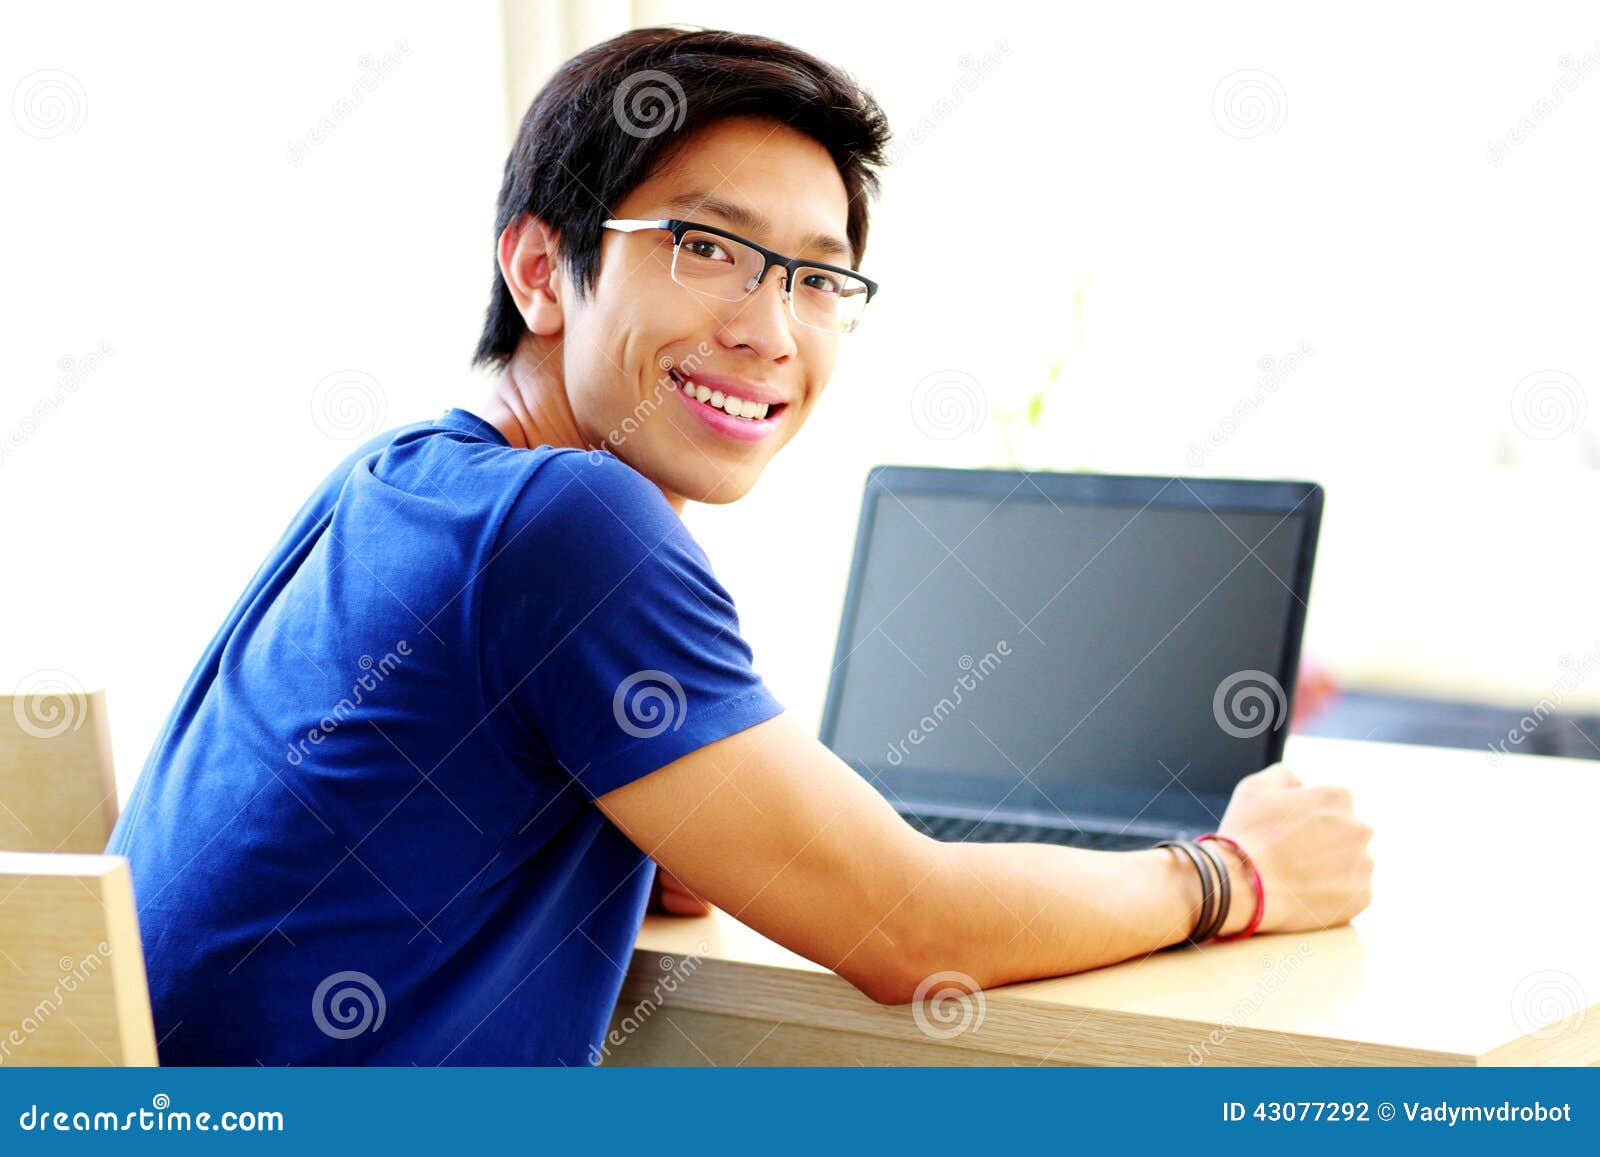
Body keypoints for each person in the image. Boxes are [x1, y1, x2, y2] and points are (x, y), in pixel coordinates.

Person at [106, 26, 1373, 1066]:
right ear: (540, 268)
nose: (770, 331)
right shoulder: (567, 519)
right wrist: (1236, 871)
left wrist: (646, 820)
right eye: (706, 248)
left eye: (817, 279)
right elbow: (909, 930)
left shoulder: (402, 478)